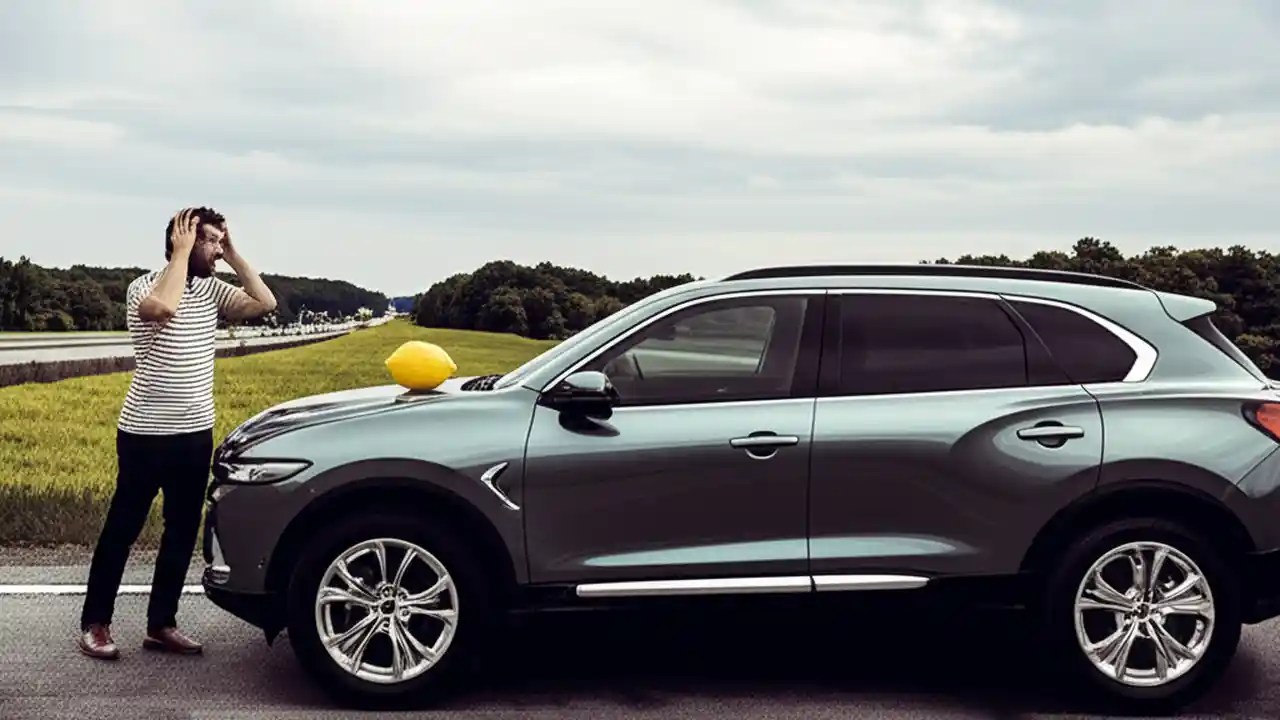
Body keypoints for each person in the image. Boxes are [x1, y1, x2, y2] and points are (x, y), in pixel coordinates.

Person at [77, 207, 278, 660]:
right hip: (145, 433)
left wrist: (234, 252)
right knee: (122, 529)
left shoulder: (211, 290)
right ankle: (96, 624)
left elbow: (265, 303)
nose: (216, 248)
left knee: (181, 531)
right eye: (209, 239)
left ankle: (161, 624)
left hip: (194, 434)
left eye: (219, 240)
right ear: (180, 238)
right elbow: (163, 308)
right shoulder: (143, 287)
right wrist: (184, 254)